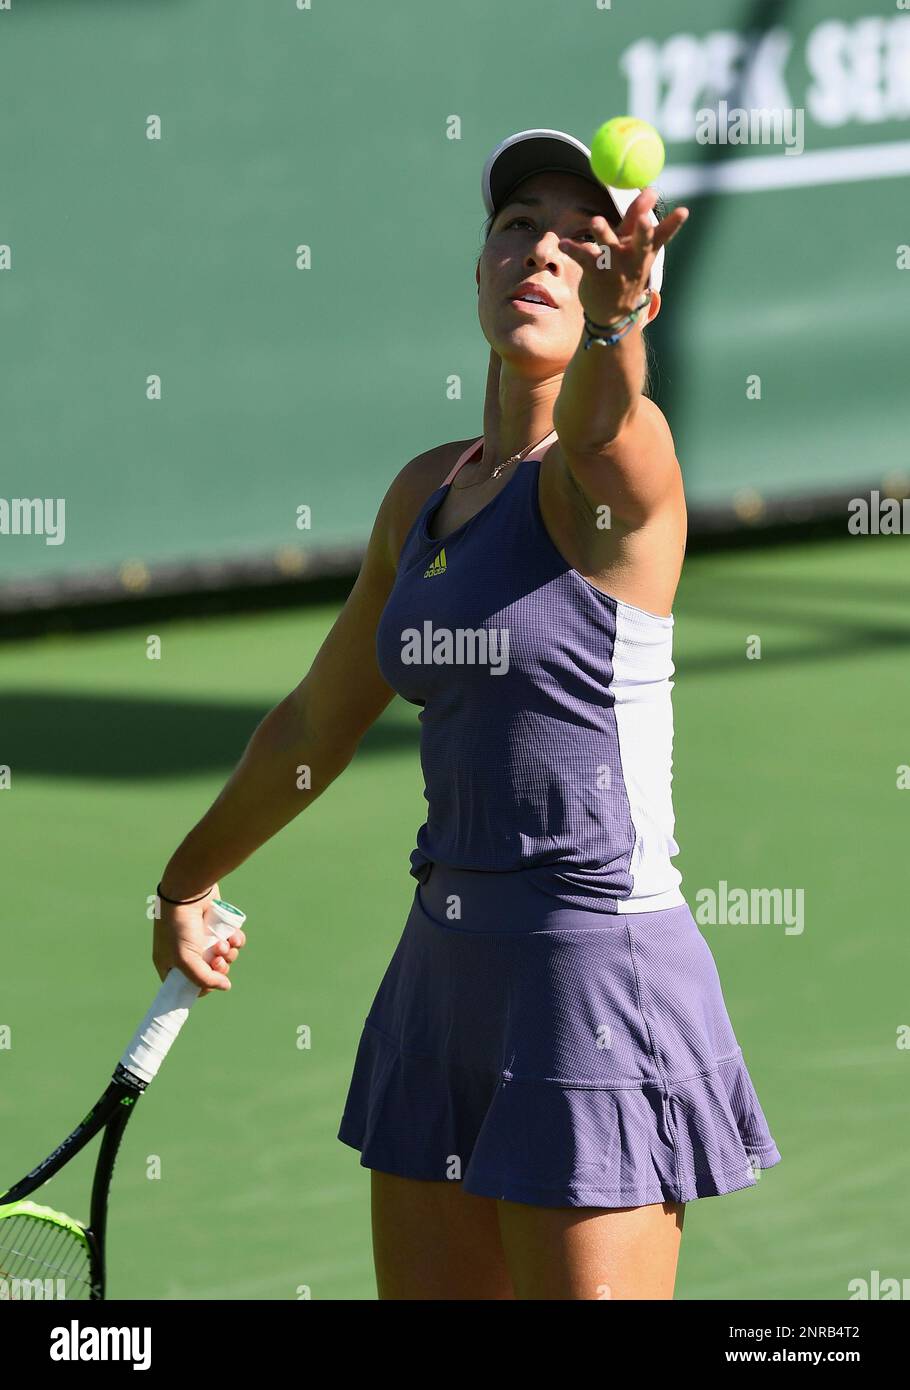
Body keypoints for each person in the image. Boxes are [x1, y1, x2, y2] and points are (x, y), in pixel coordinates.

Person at [153, 129, 782, 1301]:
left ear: (629, 281)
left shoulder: (619, 473)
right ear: (478, 266)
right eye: (515, 228)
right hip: (442, 971)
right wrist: (186, 880)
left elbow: (597, 419)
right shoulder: (426, 493)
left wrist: (613, 328)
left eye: (582, 240)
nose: (541, 253)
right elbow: (313, 727)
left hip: (590, 974)